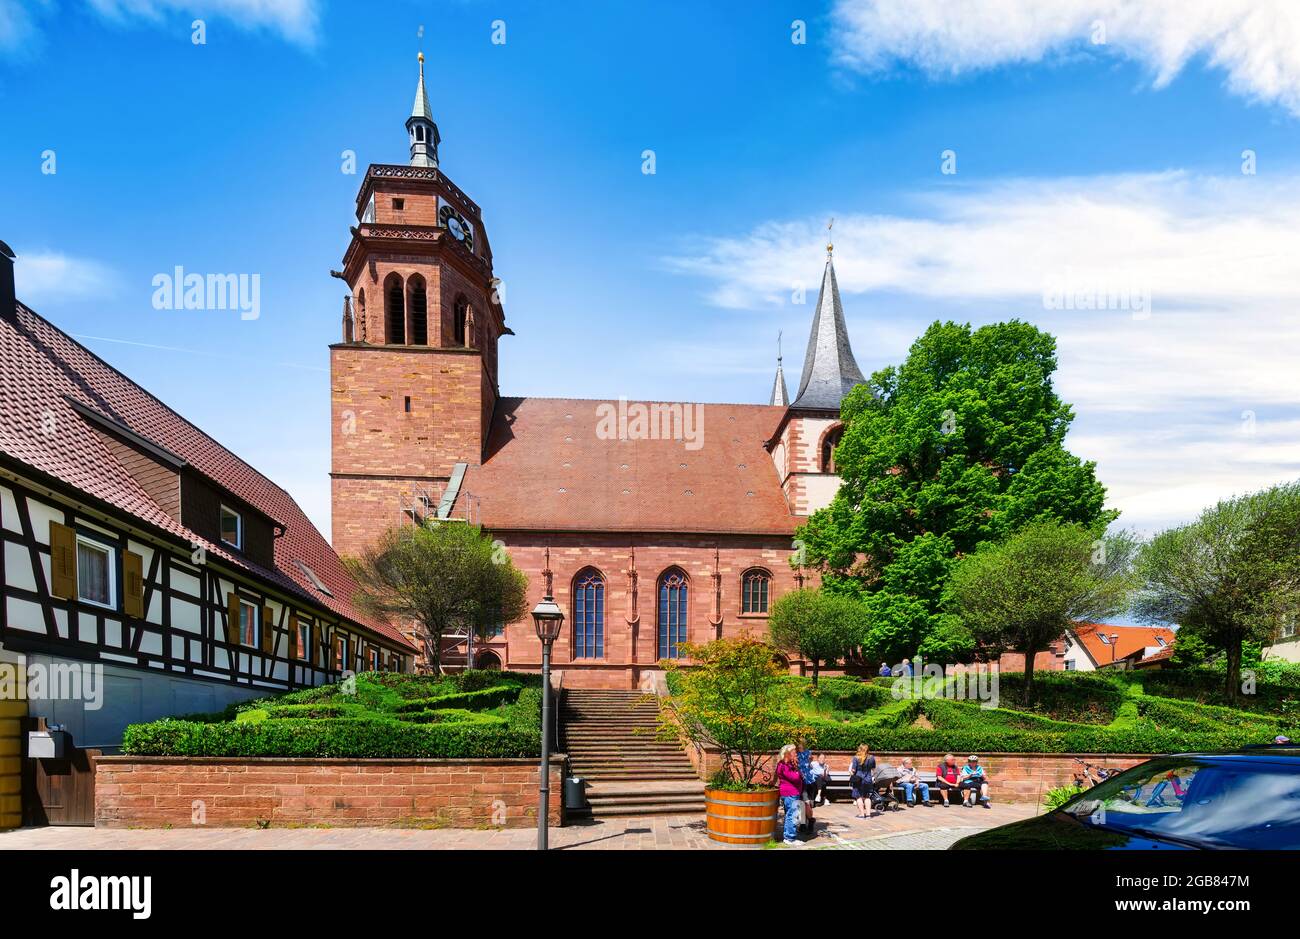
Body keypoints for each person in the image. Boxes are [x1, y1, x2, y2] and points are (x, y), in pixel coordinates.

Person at [775, 744, 804, 844]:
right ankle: (790, 838)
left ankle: (788, 837)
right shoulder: (783, 765)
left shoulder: (790, 764)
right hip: (790, 793)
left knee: (790, 814)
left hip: (793, 793)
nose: (796, 753)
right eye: (794, 751)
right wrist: (798, 773)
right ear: (787, 753)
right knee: (792, 815)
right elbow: (795, 778)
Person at [795, 740, 817, 834]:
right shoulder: (795, 754)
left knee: (807, 803)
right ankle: (803, 824)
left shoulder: (808, 753)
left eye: (799, 744)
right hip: (799, 781)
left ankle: (810, 821)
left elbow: (810, 763)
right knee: (801, 804)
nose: (798, 746)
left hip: (808, 781)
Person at [849, 744, 876, 818]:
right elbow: (873, 769)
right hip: (868, 779)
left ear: (859, 749)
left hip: (858, 779)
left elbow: (853, 770)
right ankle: (868, 814)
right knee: (867, 797)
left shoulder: (856, 758)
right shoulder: (872, 758)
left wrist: (851, 773)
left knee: (858, 797)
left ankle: (862, 814)